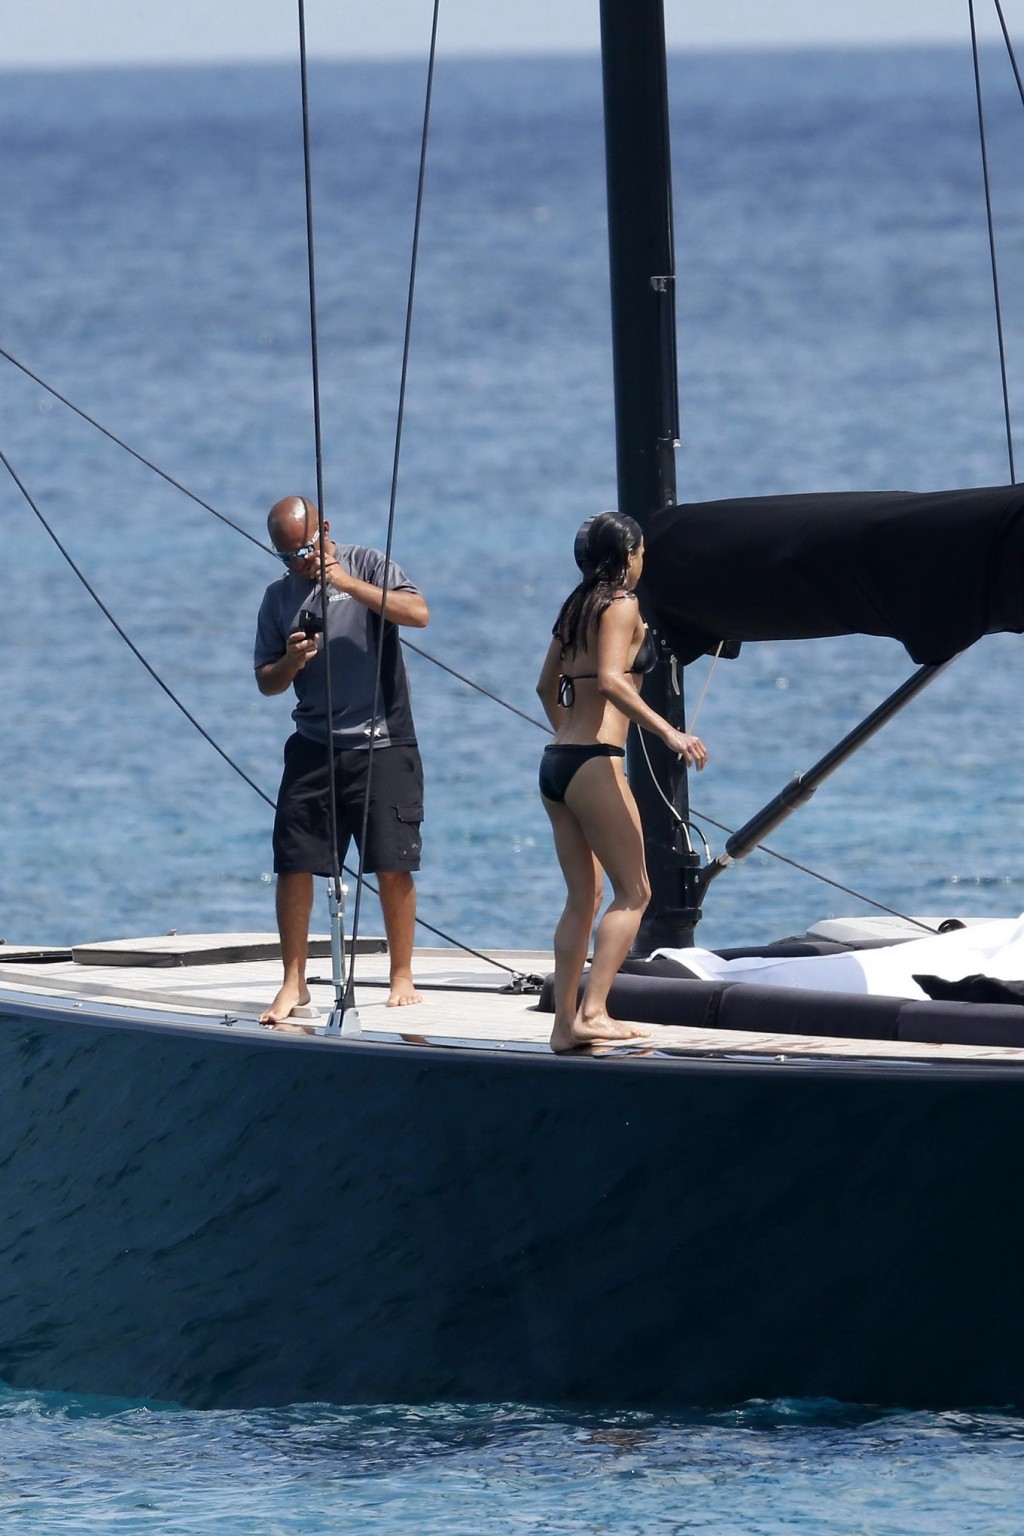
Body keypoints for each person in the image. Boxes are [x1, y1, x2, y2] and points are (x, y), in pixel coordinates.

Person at [536, 510, 708, 1053]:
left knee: (582, 898)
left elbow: (545, 686)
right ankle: (593, 1011)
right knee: (636, 892)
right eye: (640, 554)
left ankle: (566, 1026)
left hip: (557, 763)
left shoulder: (575, 606)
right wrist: (668, 732)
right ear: (628, 555)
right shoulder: (621, 604)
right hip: (594, 760)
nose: (641, 563)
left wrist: (569, 735)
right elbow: (611, 680)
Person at [254, 495, 430, 1025]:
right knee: (294, 863)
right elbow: (266, 682)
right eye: (287, 557)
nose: (299, 563)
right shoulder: (278, 597)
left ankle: (402, 975)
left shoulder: (371, 565)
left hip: (383, 741)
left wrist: (347, 585)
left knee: (392, 864)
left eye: (305, 551)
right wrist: (290, 661)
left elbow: (418, 613)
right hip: (314, 743)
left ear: (324, 530)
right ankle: (294, 981)